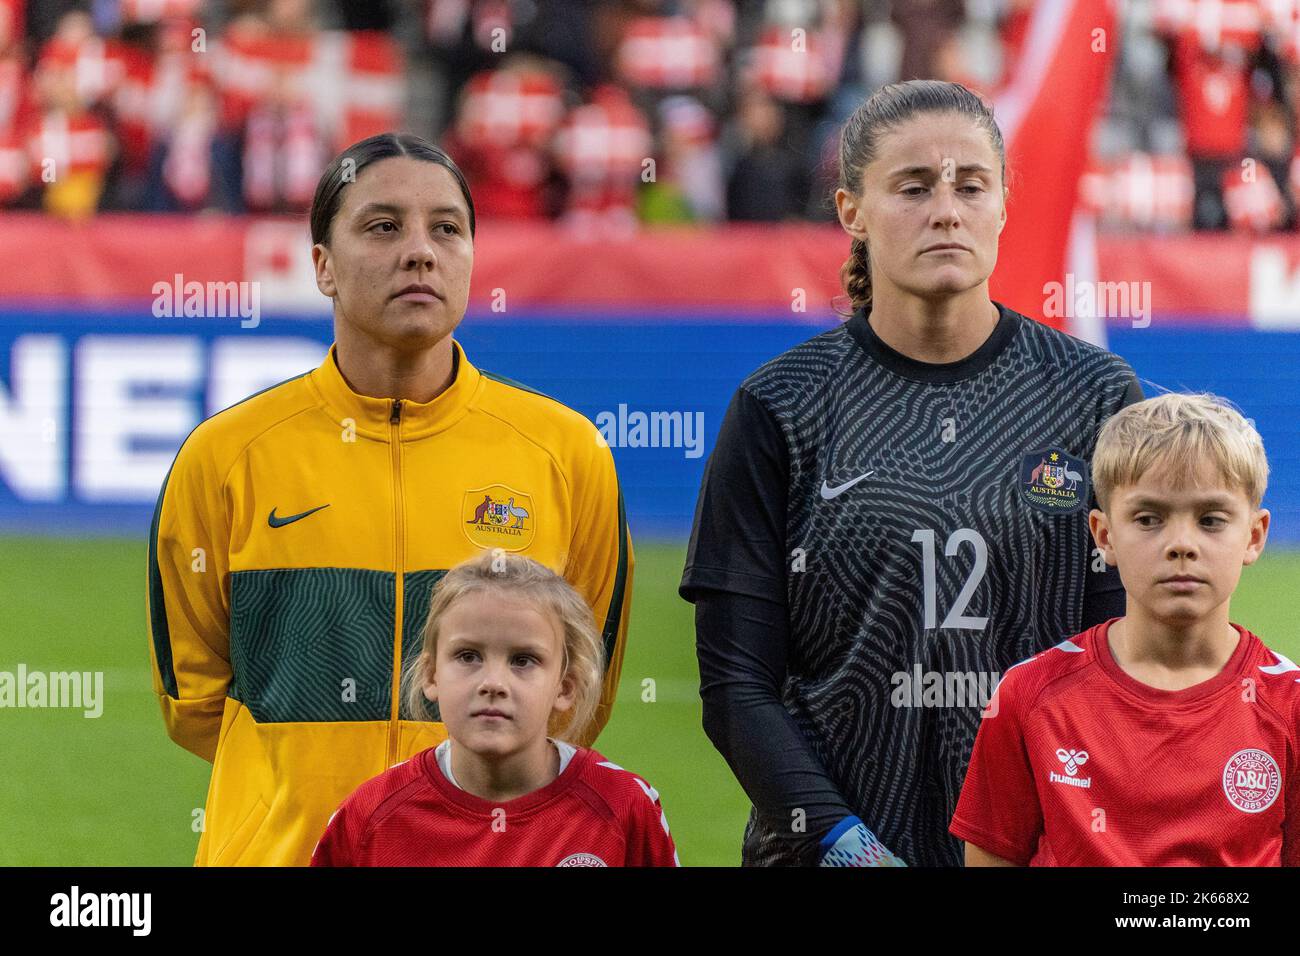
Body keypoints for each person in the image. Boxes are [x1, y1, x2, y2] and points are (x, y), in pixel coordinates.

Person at [679, 80, 1143, 867]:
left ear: (1002, 205)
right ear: (851, 211)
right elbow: (737, 689)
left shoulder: (1095, 398)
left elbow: (1118, 662)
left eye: (971, 185)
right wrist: (842, 844)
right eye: (914, 186)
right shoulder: (778, 406)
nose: (946, 210)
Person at [146, 132, 633, 866]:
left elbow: (578, 695)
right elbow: (194, 704)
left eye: (447, 228)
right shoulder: (225, 458)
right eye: (383, 227)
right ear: (322, 266)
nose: (420, 251)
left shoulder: (566, 454)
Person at [952, 393, 1295, 866]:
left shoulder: (1291, 705)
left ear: (1254, 536)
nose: (1181, 544)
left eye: (1210, 520)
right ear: (1104, 534)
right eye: (1149, 519)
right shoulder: (1030, 696)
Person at [311, 550, 679, 866]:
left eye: (523, 660)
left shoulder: (624, 807)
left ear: (565, 686)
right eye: (468, 656)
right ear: (431, 674)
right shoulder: (371, 817)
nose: (493, 683)